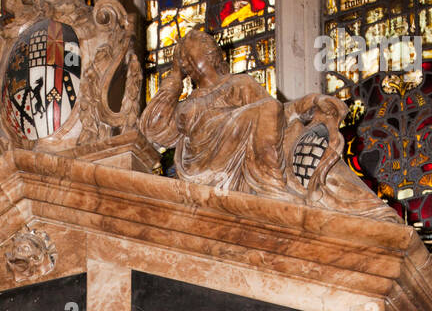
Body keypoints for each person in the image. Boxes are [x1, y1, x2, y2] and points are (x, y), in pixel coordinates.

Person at [140, 28, 395, 220]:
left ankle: (273, 187)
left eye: (192, 50)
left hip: (243, 155)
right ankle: (272, 188)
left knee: (278, 118)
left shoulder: (239, 84)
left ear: (212, 54)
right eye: (183, 57)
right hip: (200, 165)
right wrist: (174, 76)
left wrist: (311, 101)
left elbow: (277, 116)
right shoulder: (186, 104)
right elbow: (153, 128)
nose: (187, 58)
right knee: (267, 112)